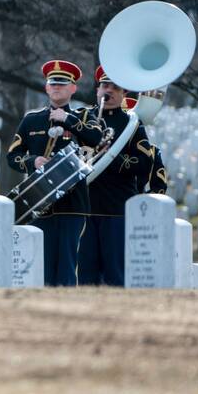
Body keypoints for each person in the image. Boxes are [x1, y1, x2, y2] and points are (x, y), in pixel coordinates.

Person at [6, 60, 103, 286]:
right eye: (53, 83)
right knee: (42, 265)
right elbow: (12, 156)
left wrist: (68, 119)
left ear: (73, 88)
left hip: (73, 204)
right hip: (40, 204)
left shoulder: (84, 117)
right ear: (46, 88)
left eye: (63, 83)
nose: (57, 87)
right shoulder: (31, 120)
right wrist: (32, 161)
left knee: (68, 265)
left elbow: (97, 140)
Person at [80, 67, 167, 285]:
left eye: (114, 88)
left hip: (116, 209)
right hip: (84, 207)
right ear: (97, 89)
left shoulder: (132, 123)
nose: (107, 91)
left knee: (115, 273)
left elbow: (144, 162)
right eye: (104, 86)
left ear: (123, 94)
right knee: (85, 273)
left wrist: (108, 157)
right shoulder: (83, 119)